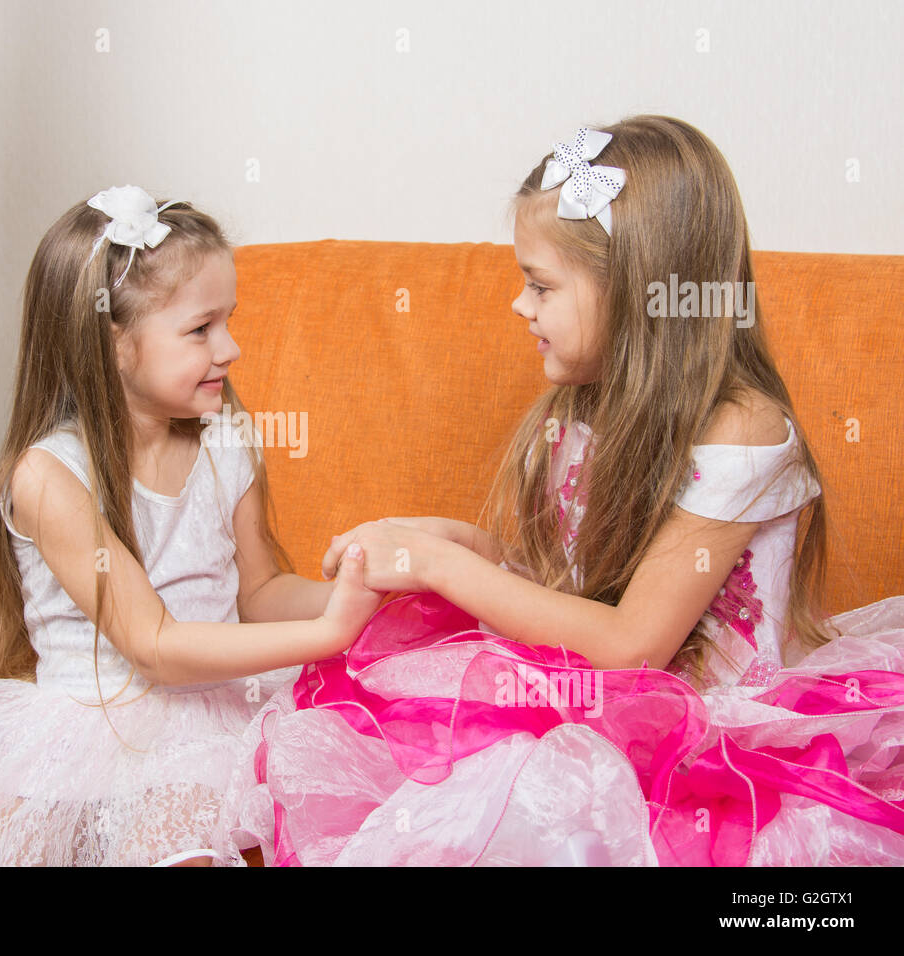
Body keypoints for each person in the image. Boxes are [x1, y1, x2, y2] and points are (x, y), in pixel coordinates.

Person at [217, 117, 904, 866]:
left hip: (715, 744)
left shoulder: (742, 430)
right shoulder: (584, 404)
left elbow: (629, 644)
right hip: (601, 709)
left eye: (541, 284)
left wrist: (434, 565)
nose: (520, 305)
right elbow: (573, 594)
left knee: (539, 796)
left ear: (639, 295)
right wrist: (460, 543)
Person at [0, 186, 382, 867]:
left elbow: (260, 592)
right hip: (89, 725)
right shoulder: (50, 477)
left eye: (230, 320)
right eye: (201, 329)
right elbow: (152, 644)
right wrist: (325, 633)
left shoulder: (225, 438)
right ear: (115, 346)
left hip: (215, 717)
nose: (233, 348)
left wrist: (363, 591)